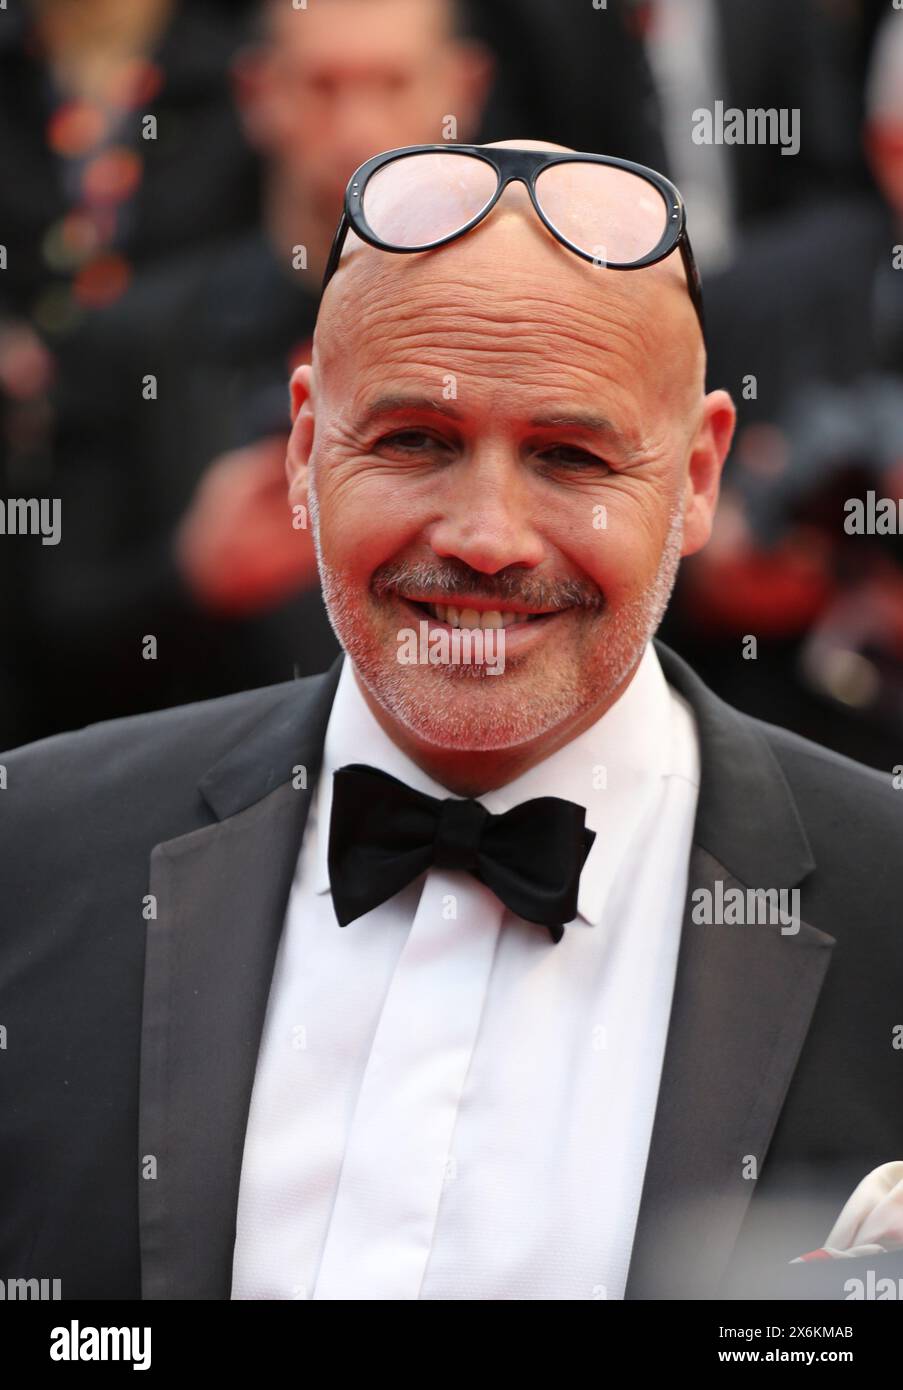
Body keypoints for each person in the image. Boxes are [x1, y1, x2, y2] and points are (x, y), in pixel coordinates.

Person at [2, 139, 902, 1302]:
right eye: (416, 441)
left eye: (569, 456)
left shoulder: (888, 910)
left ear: (695, 477)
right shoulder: (35, 855)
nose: (486, 536)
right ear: (301, 445)